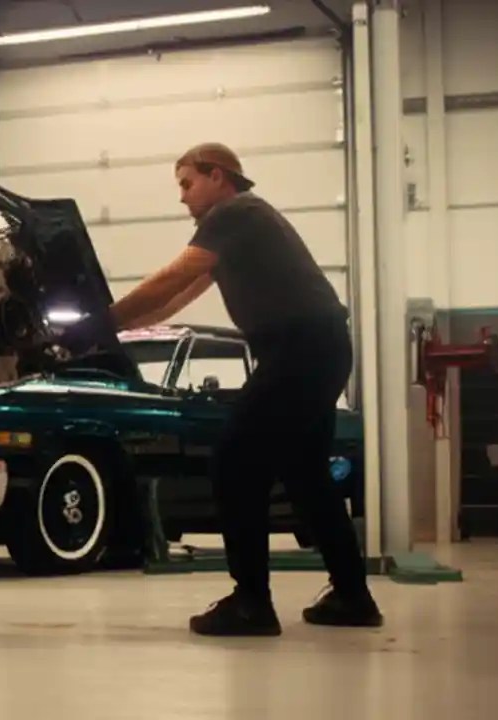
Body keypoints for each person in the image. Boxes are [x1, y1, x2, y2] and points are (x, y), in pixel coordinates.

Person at [63, 142, 383, 636]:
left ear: (218, 176)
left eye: (187, 183)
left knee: (235, 460)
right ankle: (353, 596)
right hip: (319, 349)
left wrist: (100, 321)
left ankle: (251, 602)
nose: (182, 196)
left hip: (299, 350)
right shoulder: (242, 227)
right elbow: (170, 303)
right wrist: (104, 332)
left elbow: (171, 277)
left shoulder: (236, 213)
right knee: (306, 475)